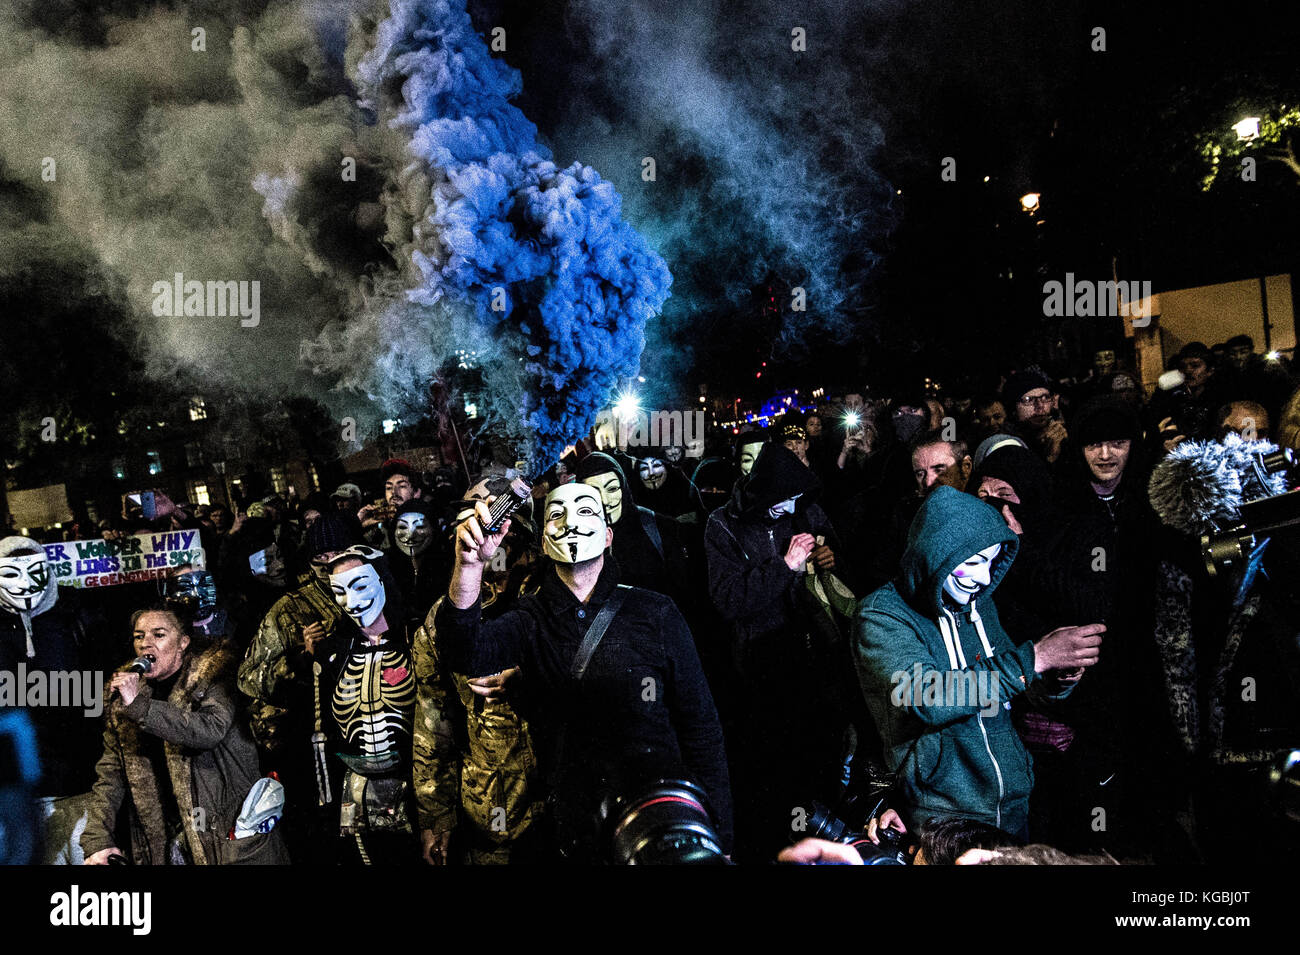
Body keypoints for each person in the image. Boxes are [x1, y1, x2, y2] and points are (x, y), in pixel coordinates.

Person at [436, 482, 733, 862]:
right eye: (556, 514)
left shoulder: (655, 612)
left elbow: (702, 730)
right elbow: (464, 653)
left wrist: (718, 834)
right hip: (579, 829)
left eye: (587, 511)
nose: (571, 522)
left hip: (657, 819)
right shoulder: (529, 619)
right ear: (543, 542)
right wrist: (469, 564)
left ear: (608, 536)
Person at [854, 486, 1104, 838]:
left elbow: (1012, 685)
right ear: (934, 553)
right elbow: (927, 696)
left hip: (1011, 803)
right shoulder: (883, 615)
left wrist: (1055, 677)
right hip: (943, 812)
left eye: (990, 562)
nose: (984, 578)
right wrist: (1035, 658)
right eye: (971, 562)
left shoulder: (976, 604)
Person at [705, 443, 857, 860]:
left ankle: (831, 844)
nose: (789, 505)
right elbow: (728, 600)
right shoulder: (723, 526)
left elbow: (845, 570)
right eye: (783, 498)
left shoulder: (806, 512)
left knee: (823, 762)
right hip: (761, 668)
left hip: (818, 662)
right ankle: (782, 848)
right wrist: (783, 568)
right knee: (775, 771)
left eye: (794, 498)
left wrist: (831, 558)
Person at [82, 608, 288, 864]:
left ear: (183, 643)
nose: (146, 643)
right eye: (138, 636)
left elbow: (209, 730)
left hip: (227, 836)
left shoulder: (214, 677)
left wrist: (140, 706)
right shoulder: (125, 699)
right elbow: (110, 777)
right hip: (169, 844)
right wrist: (97, 841)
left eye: (159, 635)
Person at [0, 535, 109, 864]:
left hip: (81, 778)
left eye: (32, 571)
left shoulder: (77, 615)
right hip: (17, 785)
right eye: (11, 573)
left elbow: (105, 680)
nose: (23, 584)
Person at [1003, 369, 1068, 464]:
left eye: (1045, 397)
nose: (1040, 405)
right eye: (1028, 400)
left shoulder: (1059, 433)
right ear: (1013, 409)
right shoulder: (1006, 446)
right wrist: (1051, 458)